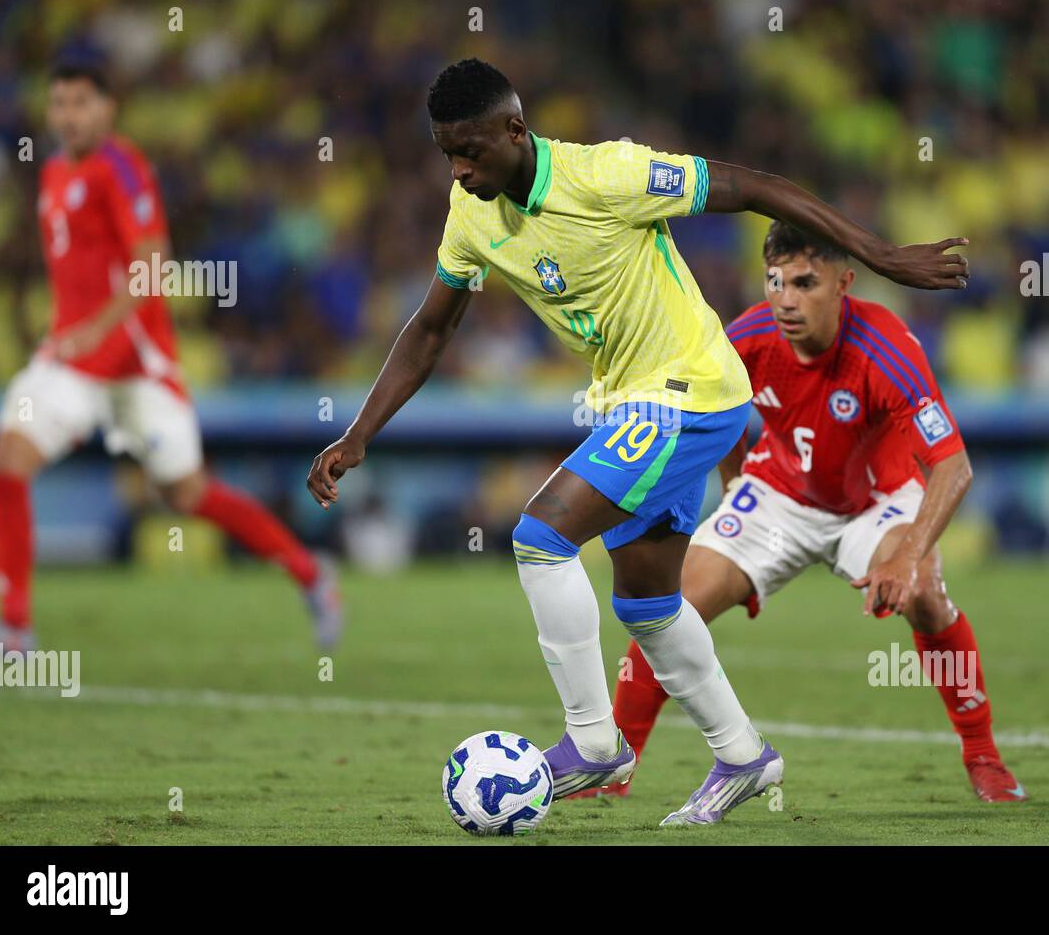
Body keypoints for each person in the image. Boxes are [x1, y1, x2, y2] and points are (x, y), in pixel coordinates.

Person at [306, 59, 968, 825]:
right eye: (446, 154)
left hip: (689, 393)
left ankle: (592, 741)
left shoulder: (609, 174)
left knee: (539, 537)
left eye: (472, 152)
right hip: (628, 405)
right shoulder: (470, 218)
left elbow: (752, 186)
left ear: (515, 130)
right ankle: (744, 755)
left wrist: (879, 254)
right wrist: (359, 434)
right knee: (648, 605)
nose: (459, 170)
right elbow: (429, 330)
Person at [598, 222, 1025, 803]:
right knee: (669, 608)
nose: (787, 299)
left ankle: (983, 756)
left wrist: (905, 555)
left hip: (876, 503)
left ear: (844, 283)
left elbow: (953, 466)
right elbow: (706, 408)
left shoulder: (886, 347)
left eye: (805, 283)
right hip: (776, 496)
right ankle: (611, 773)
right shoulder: (746, 338)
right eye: (775, 282)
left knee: (925, 592)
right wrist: (735, 477)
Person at [0, 63, 342, 655]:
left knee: (187, 494)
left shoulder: (122, 168)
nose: (69, 115)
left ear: (108, 108)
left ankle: (310, 573)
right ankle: (16, 627)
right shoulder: (50, 173)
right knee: (6, 464)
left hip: (137, 365)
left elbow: (151, 265)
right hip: (71, 362)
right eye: (60, 104)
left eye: (81, 103)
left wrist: (93, 329)